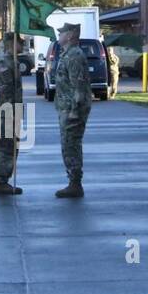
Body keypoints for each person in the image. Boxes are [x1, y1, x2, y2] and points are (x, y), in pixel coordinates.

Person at [52, 22, 90, 198]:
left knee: (71, 146)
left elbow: (78, 86)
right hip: (66, 108)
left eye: (62, 33)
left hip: (72, 110)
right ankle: (73, 182)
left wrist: (74, 111)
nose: (59, 36)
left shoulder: (74, 55)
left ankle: (75, 184)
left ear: (70, 35)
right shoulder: (67, 54)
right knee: (68, 145)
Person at [0, 32, 25, 196]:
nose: (23, 45)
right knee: (5, 147)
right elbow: (6, 92)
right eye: (20, 43)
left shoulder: (13, 62)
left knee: (11, 146)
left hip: (12, 112)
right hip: (7, 113)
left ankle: (4, 181)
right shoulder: (6, 63)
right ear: (12, 44)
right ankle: (1, 182)